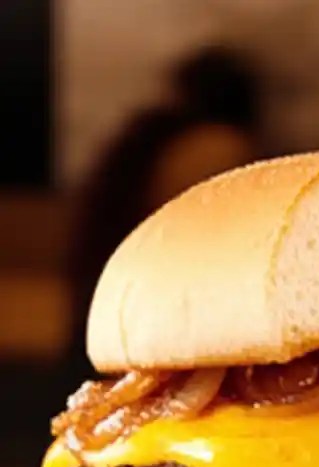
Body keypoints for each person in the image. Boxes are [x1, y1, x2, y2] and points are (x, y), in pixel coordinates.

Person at [66, 47, 262, 378]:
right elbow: (207, 247)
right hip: (152, 320)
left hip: (103, 297)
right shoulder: (214, 146)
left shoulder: (145, 137)